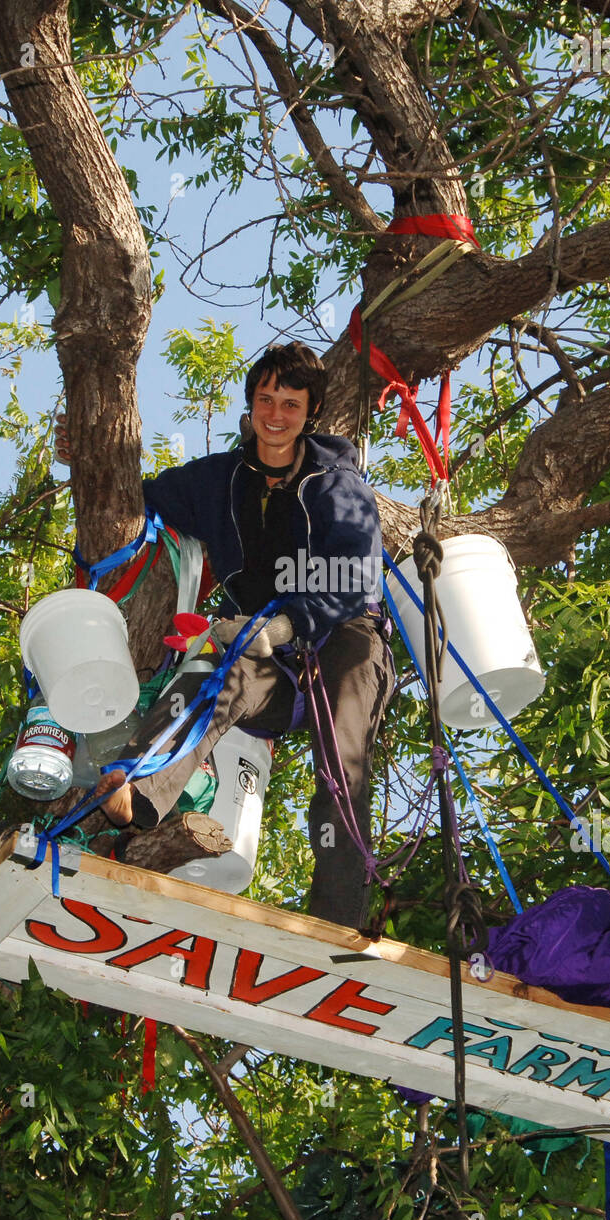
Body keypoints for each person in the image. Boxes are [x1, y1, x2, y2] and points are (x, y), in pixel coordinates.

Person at [55, 343, 392, 929]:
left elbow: (356, 573)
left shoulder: (337, 485)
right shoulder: (220, 481)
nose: (276, 414)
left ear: (310, 413)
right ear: (251, 402)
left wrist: (286, 623)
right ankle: (135, 789)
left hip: (346, 641)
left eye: (291, 403)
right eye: (266, 399)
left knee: (342, 761)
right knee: (218, 676)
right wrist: (82, 459)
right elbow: (135, 496)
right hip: (273, 661)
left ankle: (340, 921)